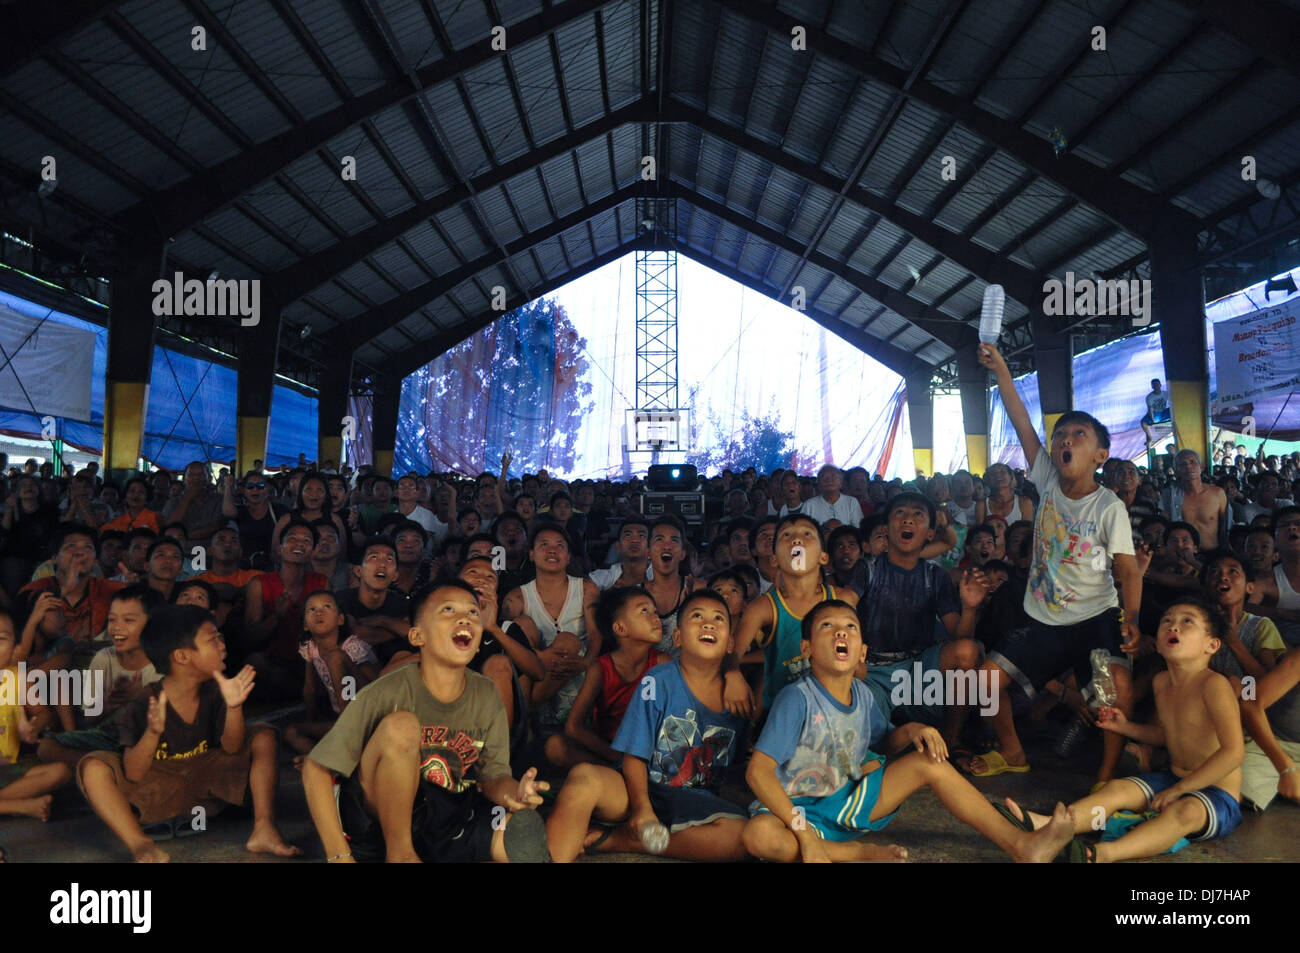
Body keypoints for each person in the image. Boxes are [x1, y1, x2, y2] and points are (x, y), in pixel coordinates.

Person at [742, 599, 1076, 863]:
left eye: (850, 627)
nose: (840, 633)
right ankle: (854, 854)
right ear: (806, 649)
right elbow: (758, 773)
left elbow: (883, 742)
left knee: (929, 762)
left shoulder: (863, 695)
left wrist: (913, 728)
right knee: (760, 836)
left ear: (862, 653)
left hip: (846, 804)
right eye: (826, 627)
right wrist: (802, 833)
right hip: (794, 813)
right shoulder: (797, 698)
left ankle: (1021, 845)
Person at [974, 342, 1142, 785]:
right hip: (1041, 618)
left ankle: (1105, 777)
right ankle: (1013, 753)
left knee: (1115, 690)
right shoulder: (1046, 480)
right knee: (987, 681)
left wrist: (1134, 618)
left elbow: (1127, 569)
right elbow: (1021, 422)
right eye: (1060, 436)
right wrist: (1004, 374)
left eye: (1078, 436)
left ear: (1100, 455)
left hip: (1095, 617)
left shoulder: (1109, 507)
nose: (1065, 440)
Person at [301, 580, 551, 863]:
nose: (464, 618)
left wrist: (515, 794)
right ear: (418, 636)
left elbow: (493, 778)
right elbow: (315, 768)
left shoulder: (486, 692)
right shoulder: (387, 690)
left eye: (472, 612)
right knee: (402, 726)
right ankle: (401, 855)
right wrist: (339, 856)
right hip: (376, 827)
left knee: (521, 835)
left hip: (447, 820)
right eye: (448, 610)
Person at [1006, 597, 1244, 863]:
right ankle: (1048, 825)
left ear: (1212, 645)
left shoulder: (1214, 685)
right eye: (1167, 620)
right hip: (1171, 780)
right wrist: (1125, 726)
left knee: (1184, 812)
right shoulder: (1162, 682)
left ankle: (1100, 854)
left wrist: (1180, 790)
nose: (1173, 627)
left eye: (1187, 621)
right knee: (1116, 790)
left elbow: (1234, 753)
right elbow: (1169, 736)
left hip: (1216, 794)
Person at [77, 604, 301, 862]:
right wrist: (152, 732)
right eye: (212, 639)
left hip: (205, 785)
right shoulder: (144, 701)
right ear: (182, 656)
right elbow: (134, 773)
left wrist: (234, 706)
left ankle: (264, 828)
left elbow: (232, 748)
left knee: (264, 734)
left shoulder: (217, 690)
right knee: (93, 766)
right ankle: (141, 844)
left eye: (220, 637)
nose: (222, 644)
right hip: (157, 788)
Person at [549, 590, 750, 862]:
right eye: (697, 616)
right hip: (637, 789)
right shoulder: (657, 680)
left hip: (694, 802)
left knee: (742, 837)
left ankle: (624, 841)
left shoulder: (738, 697)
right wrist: (642, 808)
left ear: (730, 643)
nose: (708, 624)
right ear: (677, 638)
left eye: (718, 618)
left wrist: (734, 672)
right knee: (585, 778)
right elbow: (633, 755)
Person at [843, 495, 985, 749]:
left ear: (930, 534)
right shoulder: (868, 568)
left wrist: (969, 608)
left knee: (968, 651)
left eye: (918, 514)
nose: (908, 518)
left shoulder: (935, 576)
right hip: (873, 671)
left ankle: (952, 741)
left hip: (919, 670)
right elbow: (844, 609)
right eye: (900, 512)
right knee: (864, 739)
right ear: (886, 530)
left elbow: (958, 637)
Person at [727, 513, 860, 716]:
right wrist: (732, 673)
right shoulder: (763, 608)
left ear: (823, 557)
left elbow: (861, 668)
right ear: (775, 559)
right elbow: (731, 655)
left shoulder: (845, 600)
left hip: (834, 711)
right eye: (787, 535)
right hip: (781, 713)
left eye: (807, 534)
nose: (797, 540)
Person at [37, 585, 166, 769]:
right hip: (107, 736)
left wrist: (139, 697)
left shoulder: (163, 664)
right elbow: (90, 717)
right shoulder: (104, 658)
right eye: (112, 619)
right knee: (46, 747)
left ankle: (106, 768)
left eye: (128, 620)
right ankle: (108, 768)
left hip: (145, 739)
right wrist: (109, 705)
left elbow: (167, 724)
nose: (116, 627)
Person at [501, 524, 599, 756]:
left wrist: (586, 662)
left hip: (577, 672)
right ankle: (527, 719)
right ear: (532, 555)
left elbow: (596, 633)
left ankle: (526, 722)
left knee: (569, 642)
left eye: (559, 546)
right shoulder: (516, 598)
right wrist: (541, 657)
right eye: (544, 545)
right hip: (534, 679)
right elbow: (509, 650)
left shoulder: (586, 589)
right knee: (524, 627)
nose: (552, 551)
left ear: (568, 557)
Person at [551, 588, 669, 771]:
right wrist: (615, 756)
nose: (655, 618)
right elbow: (573, 727)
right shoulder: (601, 668)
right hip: (610, 752)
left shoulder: (662, 663)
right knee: (555, 747)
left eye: (655, 611)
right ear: (620, 628)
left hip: (649, 754)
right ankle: (619, 772)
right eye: (644, 611)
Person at [284, 591, 379, 761]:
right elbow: (310, 689)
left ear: (340, 620)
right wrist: (311, 721)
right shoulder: (310, 648)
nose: (319, 613)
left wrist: (345, 666)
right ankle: (323, 761)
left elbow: (377, 687)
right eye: (311, 609)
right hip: (342, 722)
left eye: (327, 607)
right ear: (305, 625)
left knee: (336, 657)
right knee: (292, 731)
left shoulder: (353, 647)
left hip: (366, 716)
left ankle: (344, 740)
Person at [1, 609, 74, 820]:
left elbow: (44, 713)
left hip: (9, 770)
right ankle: (20, 806)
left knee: (61, 771)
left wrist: (34, 726)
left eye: (0, 639)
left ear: (15, 649)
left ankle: (7, 804)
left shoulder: (18, 678)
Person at [243, 519, 329, 698]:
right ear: (279, 549)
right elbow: (251, 638)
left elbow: (330, 633)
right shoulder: (260, 583)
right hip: (276, 660)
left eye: (306, 541)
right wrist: (277, 616)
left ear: (312, 551)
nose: (299, 544)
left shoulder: (321, 582)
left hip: (311, 661)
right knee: (255, 662)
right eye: (292, 539)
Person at [335, 537, 412, 667]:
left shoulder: (402, 603)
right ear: (358, 571)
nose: (382, 564)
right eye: (374, 557)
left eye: (389, 559)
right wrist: (397, 630)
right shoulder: (342, 599)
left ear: (395, 575)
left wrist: (383, 621)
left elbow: (415, 633)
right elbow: (355, 636)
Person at [1161, 450, 1230, 551]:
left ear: (1201, 467)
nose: (1188, 467)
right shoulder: (1169, 495)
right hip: (1181, 555)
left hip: (1212, 553)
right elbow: (1165, 527)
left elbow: (1226, 527)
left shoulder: (1217, 493)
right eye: (1183, 464)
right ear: (1176, 471)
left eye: (1192, 462)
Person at [161, 462, 226, 550]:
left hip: (211, 551)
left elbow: (216, 526)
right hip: (180, 552)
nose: (196, 478)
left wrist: (182, 536)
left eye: (201, 474)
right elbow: (169, 526)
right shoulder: (173, 502)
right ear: (184, 479)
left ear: (208, 478)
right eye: (191, 474)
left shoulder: (218, 500)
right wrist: (187, 498)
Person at [222, 472, 277, 567]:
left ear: (267, 490)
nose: (255, 489)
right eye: (250, 486)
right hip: (244, 566)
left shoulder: (278, 510)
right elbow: (228, 512)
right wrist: (228, 486)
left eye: (260, 486)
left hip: (272, 567)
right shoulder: (241, 511)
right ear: (243, 490)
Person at [1140, 379, 1171, 449]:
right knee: (1143, 422)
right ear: (1152, 387)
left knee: (1174, 410)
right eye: (1154, 385)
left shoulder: (1165, 394)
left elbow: (1172, 403)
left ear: (1160, 385)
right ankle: (1151, 438)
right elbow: (1150, 409)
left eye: (1157, 384)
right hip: (1156, 413)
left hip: (1164, 412)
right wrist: (1153, 420)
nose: (1156, 386)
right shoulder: (1149, 397)